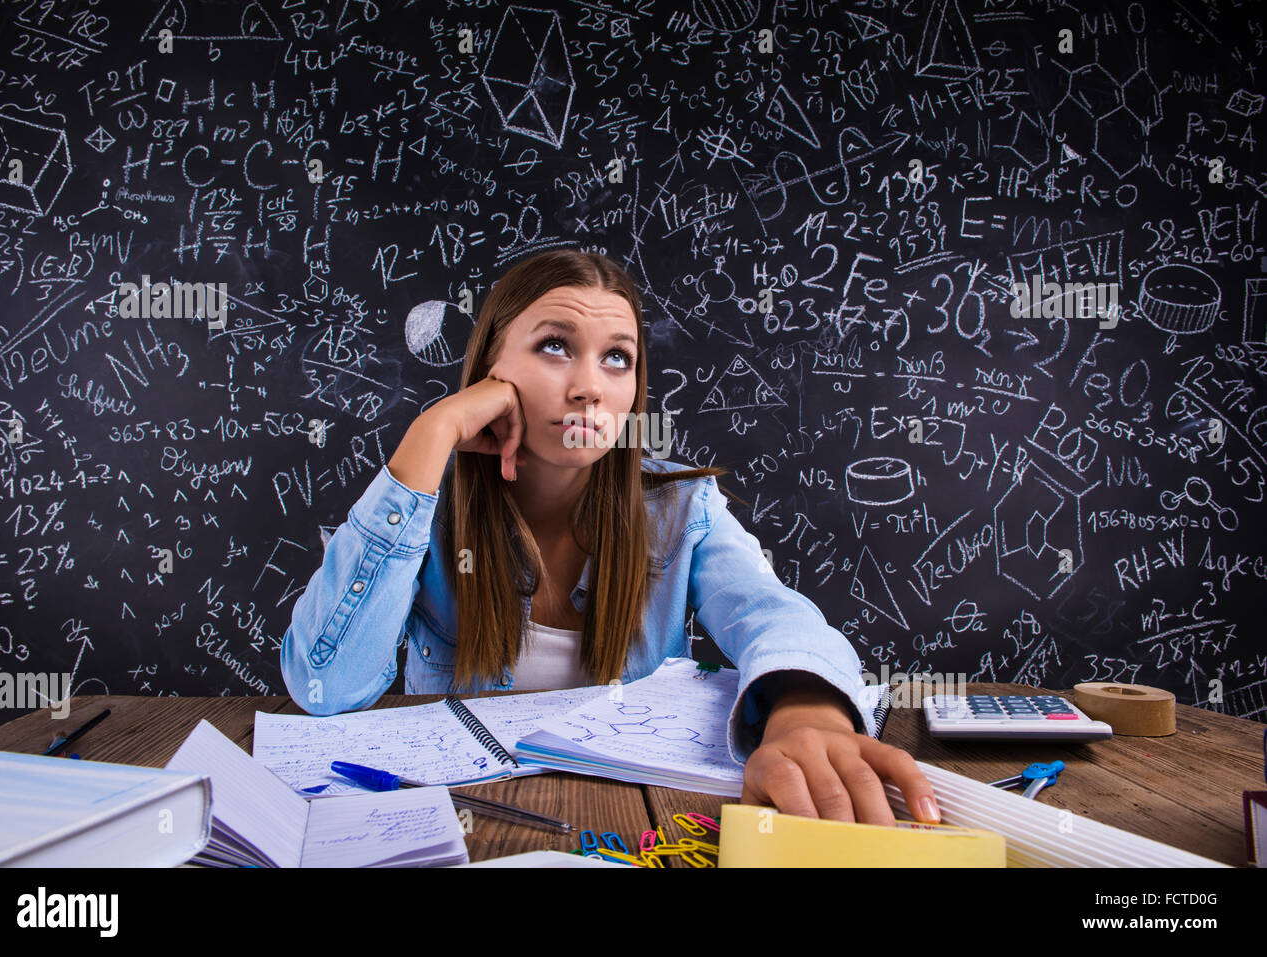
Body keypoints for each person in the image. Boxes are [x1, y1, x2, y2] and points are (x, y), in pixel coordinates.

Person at [281, 248, 941, 825]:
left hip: (634, 815)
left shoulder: (681, 506)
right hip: (465, 818)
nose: (590, 387)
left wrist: (805, 710)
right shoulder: (427, 507)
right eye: (554, 345)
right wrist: (432, 433)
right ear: (488, 367)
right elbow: (324, 688)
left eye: (617, 358)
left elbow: (771, 613)